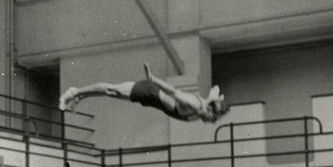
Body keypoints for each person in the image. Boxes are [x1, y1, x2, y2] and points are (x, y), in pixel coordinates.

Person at [59, 62, 229, 123]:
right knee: (111, 90)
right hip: (150, 92)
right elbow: (172, 90)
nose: (212, 123)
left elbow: (214, 96)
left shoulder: (203, 109)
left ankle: (79, 96)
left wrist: (215, 96)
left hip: (151, 99)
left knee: (111, 93)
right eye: (213, 119)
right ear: (209, 111)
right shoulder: (195, 104)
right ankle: (74, 92)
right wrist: (153, 78)